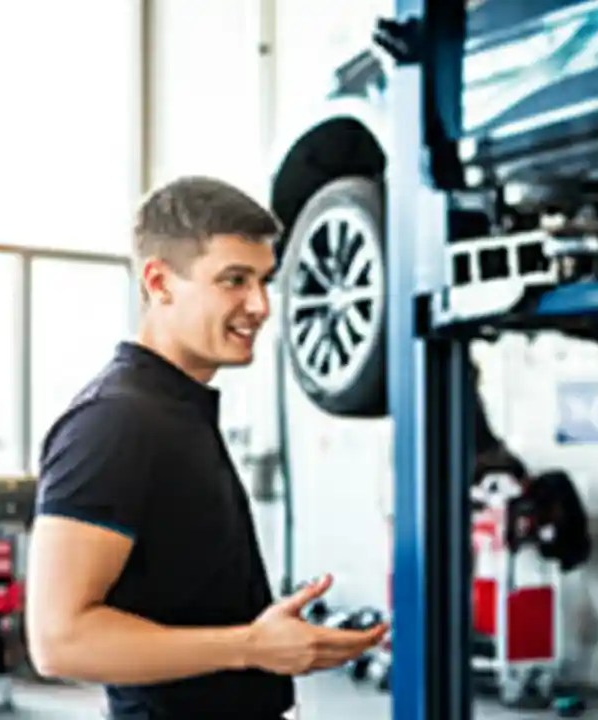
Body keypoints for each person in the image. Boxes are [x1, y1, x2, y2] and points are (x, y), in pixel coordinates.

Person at [25, 176, 387, 720]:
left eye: (265, 280)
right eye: (234, 280)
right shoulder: (115, 421)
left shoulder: (175, 410)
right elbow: (60, 640)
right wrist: (250, 646)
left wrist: (273, 643)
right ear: (159, 281)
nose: (261, 305)